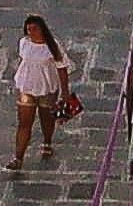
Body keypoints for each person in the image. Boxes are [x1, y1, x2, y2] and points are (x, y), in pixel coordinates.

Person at [10, 11, 81, 174]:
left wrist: (65, 92)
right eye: (28, 29)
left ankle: (47, 142)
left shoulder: (52, 46)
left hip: (47, 88)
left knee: (46, 119)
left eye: (34, 28)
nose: (31, 32)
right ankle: (18, 157)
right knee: (24, 123)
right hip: (27, 87)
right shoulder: (24, 43)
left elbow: (62, 68)